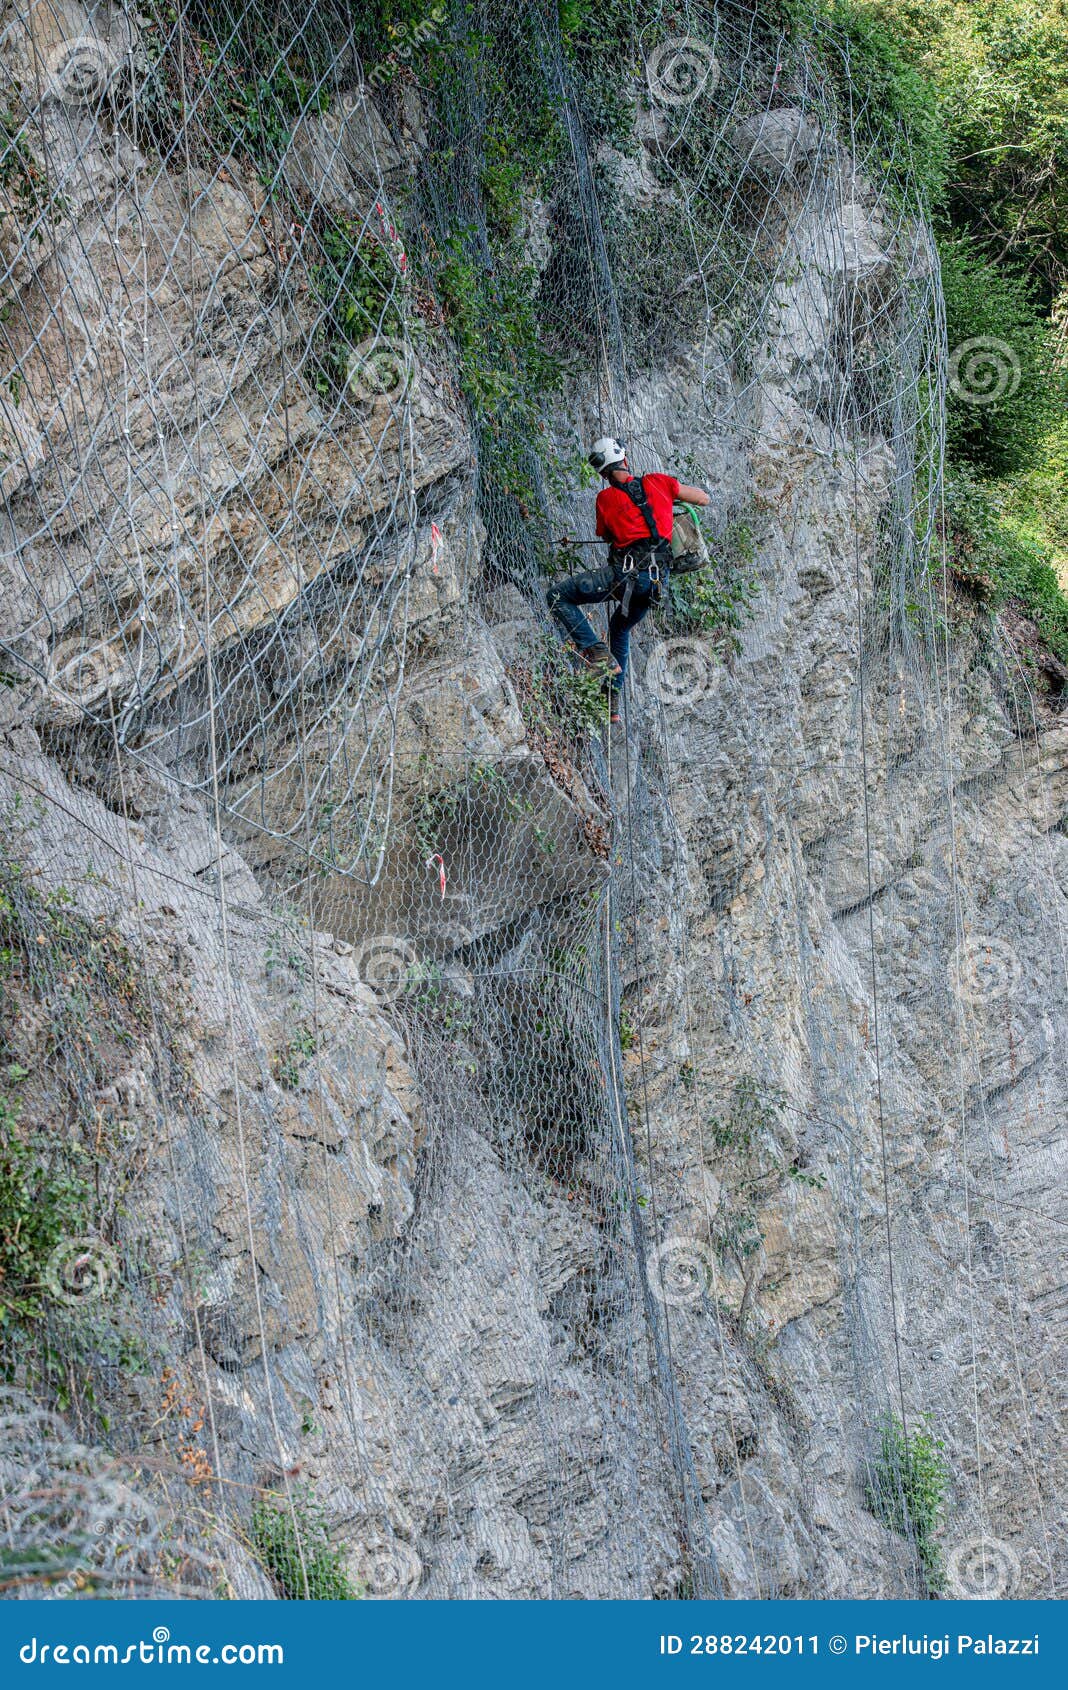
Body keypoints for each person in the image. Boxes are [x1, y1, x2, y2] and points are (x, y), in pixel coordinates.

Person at [547, 437, 711, 723]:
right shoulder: (660, 482)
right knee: (620, 629)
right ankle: (612, 706)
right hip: (656, 585)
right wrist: (666, 503)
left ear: (603, 473)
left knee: (558, 596)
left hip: (624, 577)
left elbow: (608, 535)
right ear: (624, 459)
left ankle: (597, 653)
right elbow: (702, 498)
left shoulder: (605, 498)